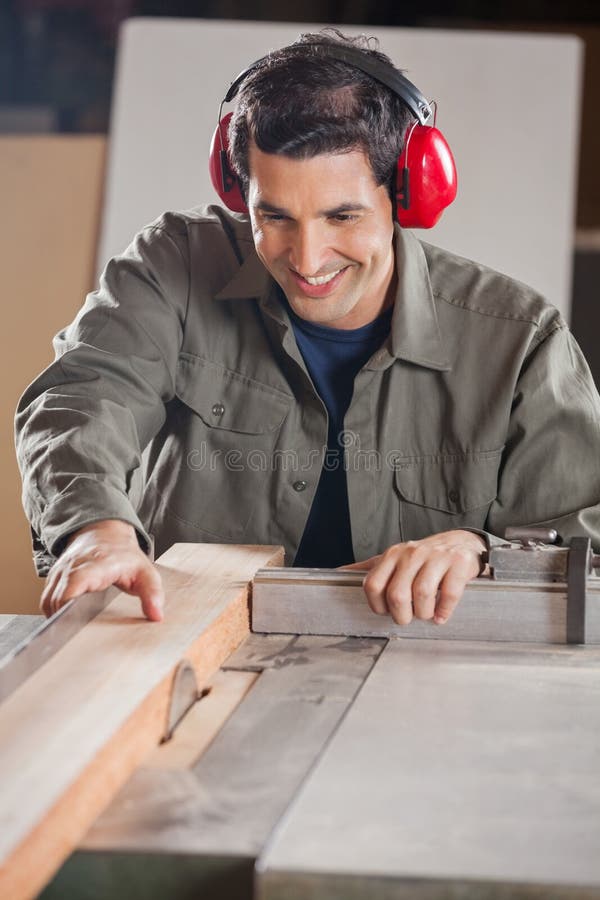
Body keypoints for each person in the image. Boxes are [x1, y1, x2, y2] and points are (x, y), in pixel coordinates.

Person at [15, 29, 600, 627]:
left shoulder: (521, 340)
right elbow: (82, 397)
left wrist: (481, 550)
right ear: (238, 193)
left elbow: (590, 532)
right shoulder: (173, 267)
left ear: (409, 194)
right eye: (275, 217)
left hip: (427, 675)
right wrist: (95, 529)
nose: (307, 258)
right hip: (196, 657)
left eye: (342, 216)